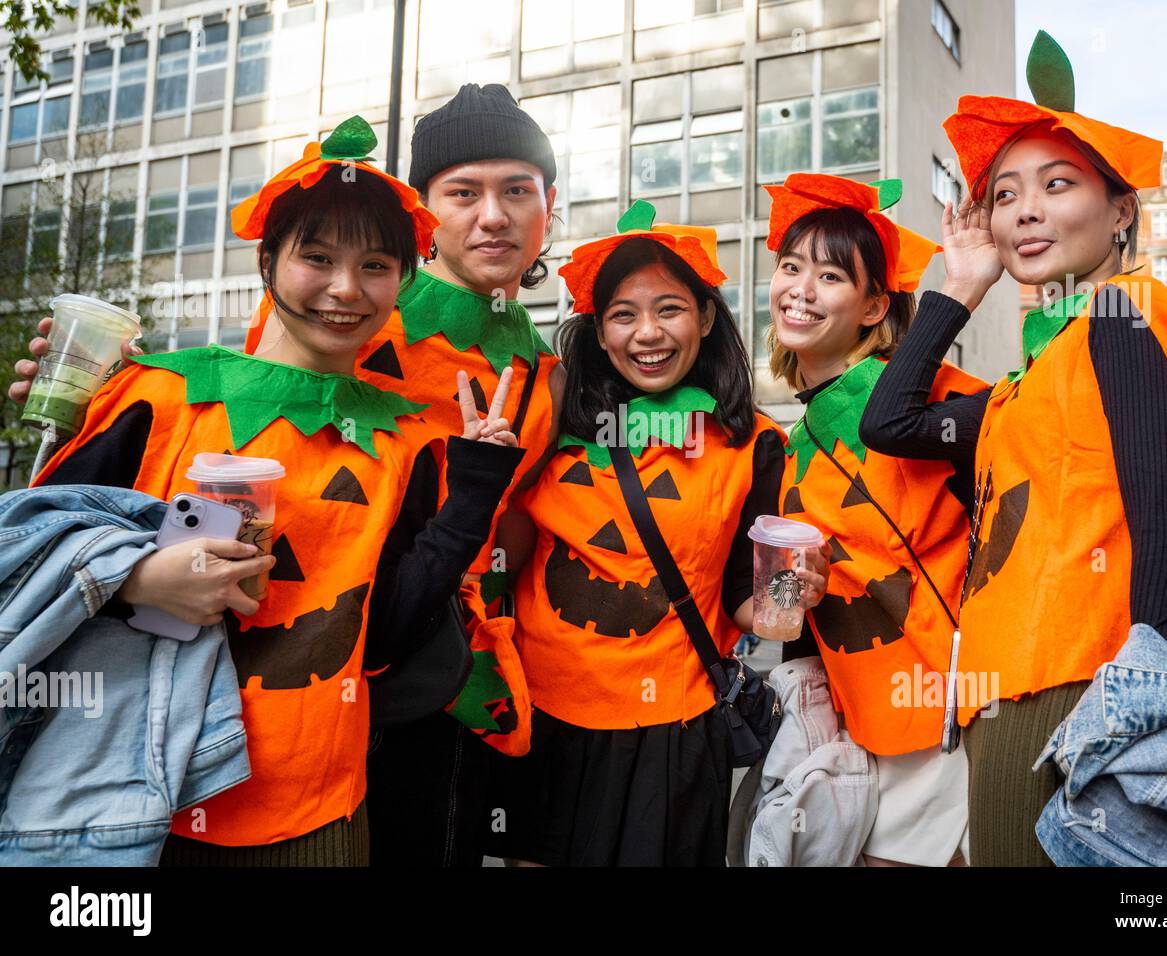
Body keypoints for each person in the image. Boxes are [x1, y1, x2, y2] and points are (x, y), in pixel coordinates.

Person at [31, 117, 525, 865]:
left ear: (404, 281)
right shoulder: (162, 394)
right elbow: (28, 556)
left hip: (320, 809)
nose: (343, 289)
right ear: (267, 261)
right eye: (317, 258)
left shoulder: (410, 439)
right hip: (136, 803)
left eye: (376, 266)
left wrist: (471, 495)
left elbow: (383, 635)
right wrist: (136, 577)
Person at [859, 32, 1167, 866]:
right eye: (1003, 194)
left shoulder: (1121, 317)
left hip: (1081, 691)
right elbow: (889, 425)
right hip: (1009, 689)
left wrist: (1152, 718)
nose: (1024, 209)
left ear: (1122, 210)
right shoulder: (1030, 379)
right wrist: (958, 287)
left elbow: (1164, 528)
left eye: (1057, 184)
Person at [487, 201, 829, 866]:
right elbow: (497, 539)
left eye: (669, 308)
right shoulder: (555, 411)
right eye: (624, 315)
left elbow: (755, 608)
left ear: (703, 316)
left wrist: (791, 596)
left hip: (673, 730)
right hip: (548, 718)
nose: (648, 333)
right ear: (599, 330)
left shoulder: (753, 443)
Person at [762, 172, 987, 866]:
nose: (800, 287)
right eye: (791, 266)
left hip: (957, 717)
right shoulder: (789, 450)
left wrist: (959, 290)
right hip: (861, 730)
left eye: (830, 275)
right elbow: (787, 620)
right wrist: (792, 596)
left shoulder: (942, 399)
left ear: (872, 308)